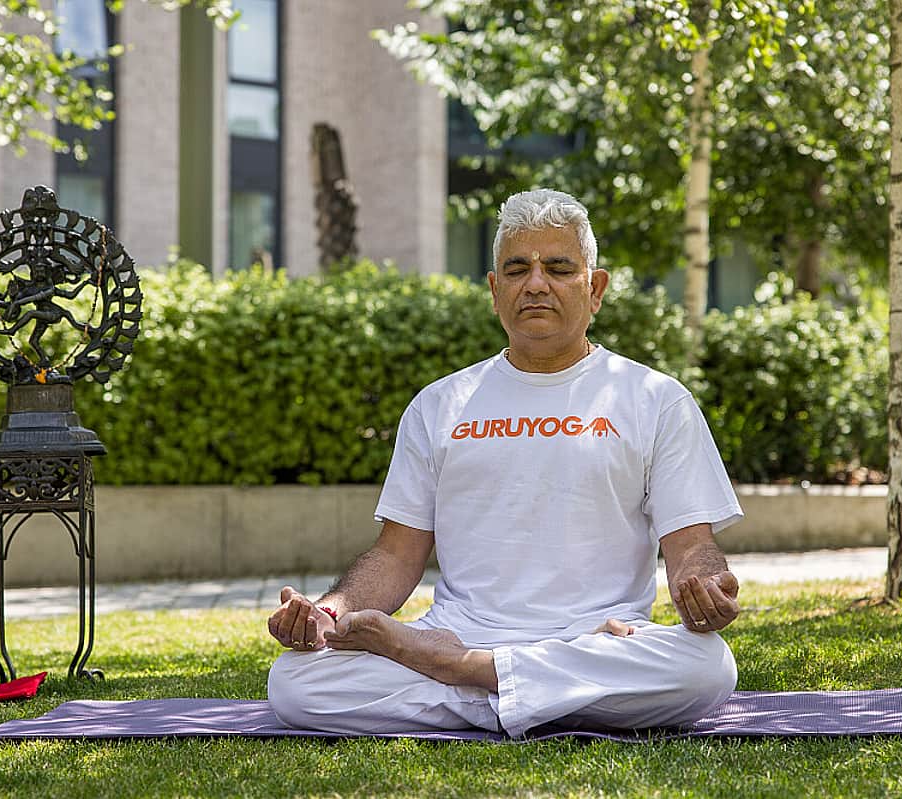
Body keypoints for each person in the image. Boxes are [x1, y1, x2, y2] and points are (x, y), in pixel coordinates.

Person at [266, 189, 743, 738]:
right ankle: (542, 696)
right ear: (496, 292)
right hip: (469, 631)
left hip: (594, 637)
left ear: (595, 289)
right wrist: (328, 612)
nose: (536, 284)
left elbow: (691, 546)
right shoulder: (438, 404)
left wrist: (705, 586)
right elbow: (396, 554)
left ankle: (465, 676)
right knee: (295, 682)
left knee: (707, 666)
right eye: (517, 270)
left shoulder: (655, 399)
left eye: (558, 268)